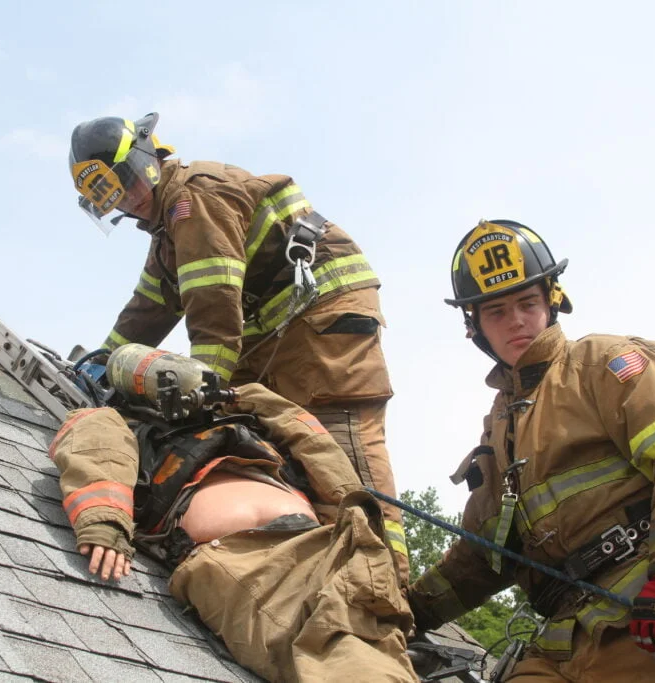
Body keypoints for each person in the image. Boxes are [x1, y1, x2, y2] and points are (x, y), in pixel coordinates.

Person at [405, 220, 655, 682]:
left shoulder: (604, 363)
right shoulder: (499, 429)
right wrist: (402, 613)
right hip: (567, 638)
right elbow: (482, 557)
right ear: (475, 326)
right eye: (497, 311)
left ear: (552, 300)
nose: (516, 320)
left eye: (528, 303)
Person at [67, 112, 408, 582]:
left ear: (147, 158)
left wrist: (196, 398)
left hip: (324, 319)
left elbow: (214, 315)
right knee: (262, 433)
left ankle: (390, 581)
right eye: (111, 197)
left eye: (125, 182)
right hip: (276, 328)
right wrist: (99, 364)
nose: (127, 199)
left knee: (339, 442)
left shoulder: (194, 200)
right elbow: (147, 309)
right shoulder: (169, 231)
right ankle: (328, 569)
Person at [49, 375, 417, 682]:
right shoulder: (124, 425)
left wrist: (243, 396)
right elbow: (95, 440)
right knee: (342, 653)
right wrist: (105, 520)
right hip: (252, 567)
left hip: (333, 550)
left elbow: (316, 444)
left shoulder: (247, 425)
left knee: (372, 647)